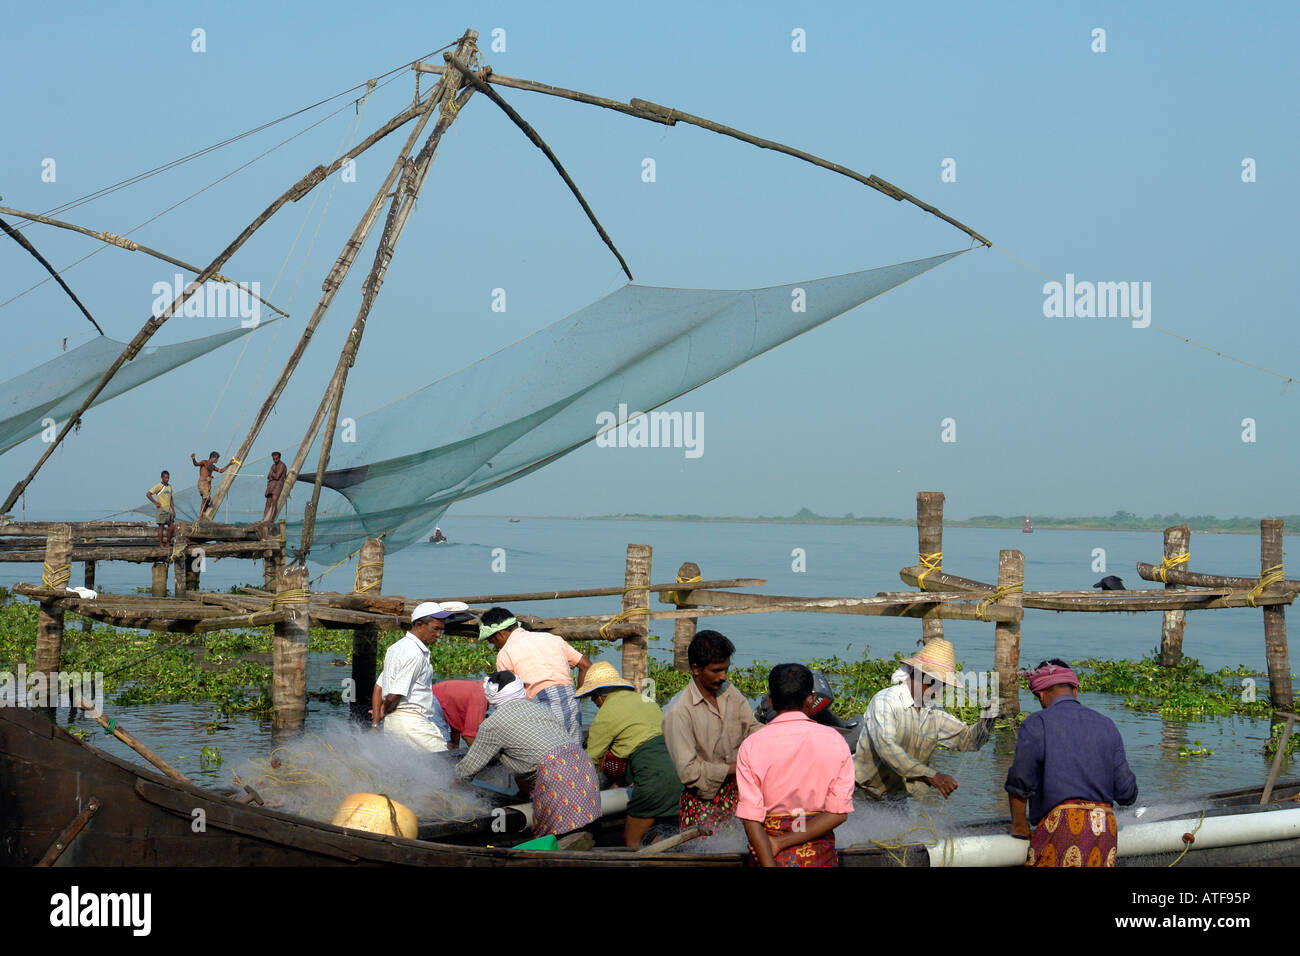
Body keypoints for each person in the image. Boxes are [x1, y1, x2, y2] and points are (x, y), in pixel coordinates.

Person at [1005, 659, 1138, 867]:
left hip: (1062, 827)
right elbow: (1126, 793)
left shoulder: (1037, 723)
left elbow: (1020, 780)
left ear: (1040, 695)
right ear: (1075, 690)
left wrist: (1019, 825)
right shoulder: (1107, 725)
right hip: (1103, 830)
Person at [456, 670, 600, 838]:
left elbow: (467, 769)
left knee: (557, 838)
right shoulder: (540, 709)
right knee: (590, 828)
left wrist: (449, 783)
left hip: (557, 773)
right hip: (583, 765)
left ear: (491, 696)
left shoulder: (493, 724)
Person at [737, 663, 854, 867]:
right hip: (818, 856)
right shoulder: (835, 740)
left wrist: (774, 849)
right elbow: (837, 813)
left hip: (767, 854)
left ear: (771, 702)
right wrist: (781, 841)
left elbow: (751, 818)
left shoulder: (751, 745)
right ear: (810, 700)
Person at [853, 639, 994, 801]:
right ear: (915, 673)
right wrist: (931, 776)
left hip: (896, 798)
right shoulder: (886, 701)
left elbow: (968, 740)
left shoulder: (934, 713)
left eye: (940, 685)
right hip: (863, 792)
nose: (935, 690)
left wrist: (988, 719)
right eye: (931, 682)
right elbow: (887, 749)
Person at [577, 662, 683, 847]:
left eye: (593, 699)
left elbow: (589, 762)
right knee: (663, 839)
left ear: (600, 696)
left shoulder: (605, 714)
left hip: (653, 780)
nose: (595, 705)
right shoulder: (645, 700)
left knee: (631, 841)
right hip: (680, 772)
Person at [662, 629, 758, 830]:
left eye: (726, 669)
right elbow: (689, 773)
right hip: (705, 803)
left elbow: (752, 728)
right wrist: (738, 768)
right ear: (696, 669)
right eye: (716, 670)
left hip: (742, 794)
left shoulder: (729, 691)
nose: (723, 677)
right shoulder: (678, 712)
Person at [479, 606, 591, 746]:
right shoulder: (552, 638)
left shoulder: (505, 653)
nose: (495, 647)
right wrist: (578, 696)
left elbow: (508, 697)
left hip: (540, 704)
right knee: (574, 752)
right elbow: (586, 665)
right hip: (570, 699)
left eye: (493, 642)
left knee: (548, 754)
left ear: (500, 634)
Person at [371, 601, 468, 752]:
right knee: (446, 761)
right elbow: (393, 695)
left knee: (407, 771)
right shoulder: (414, 654)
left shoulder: (396, 648)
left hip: (395, 723)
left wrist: (379, 720)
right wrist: (388, 710)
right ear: (419, 625)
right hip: (410, 722)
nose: (438, 635)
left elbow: (380, 686)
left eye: (441, 630)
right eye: (435, 629)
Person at [431, 679, 489, 749]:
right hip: (432, 699)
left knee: (451, 749)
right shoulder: (480, 698)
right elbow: (469, 736)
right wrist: (483, 757)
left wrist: (456, 749)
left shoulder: (478, 689)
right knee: (444, 748)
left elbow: (456, 727)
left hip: (434, 694)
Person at [190, 450, 231, 516]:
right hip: (202, 483)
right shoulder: (204, 462)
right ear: (213, 457)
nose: (217, 460)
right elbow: (196, 464)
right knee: (206, 499)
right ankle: (201, 516)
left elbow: (221, 471)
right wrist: (193, 459)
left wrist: (229, 464)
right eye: (217, 458)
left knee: (206, 500)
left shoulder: (213, 466)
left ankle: (202, 513)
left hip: (208, 484)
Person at [146, 470, 175, 548]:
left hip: (168, 510)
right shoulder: (158, 486)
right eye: (165, 478)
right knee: (161, 527)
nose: (167, 479)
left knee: (172, 527)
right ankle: (161, 544)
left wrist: (173, 510)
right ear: (162, 477)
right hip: (161, 509)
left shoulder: (170, 487)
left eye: (168, 478)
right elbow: (148, 494)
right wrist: (156, 503)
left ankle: (168, 543)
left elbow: (171, 498)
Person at [262, 451, 287, 522]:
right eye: (274, 459)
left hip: (278, 484)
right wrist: (273, 475)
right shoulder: (273, 466)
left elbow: (277, 476)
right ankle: (263, 519)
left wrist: (272, 475)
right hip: (271, 484)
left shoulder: (282, 465)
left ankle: (270, 520)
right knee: (268, 503)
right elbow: (268, 476)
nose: (275, 460)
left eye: (276, 458)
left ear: (279, 458)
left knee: (274, 502)